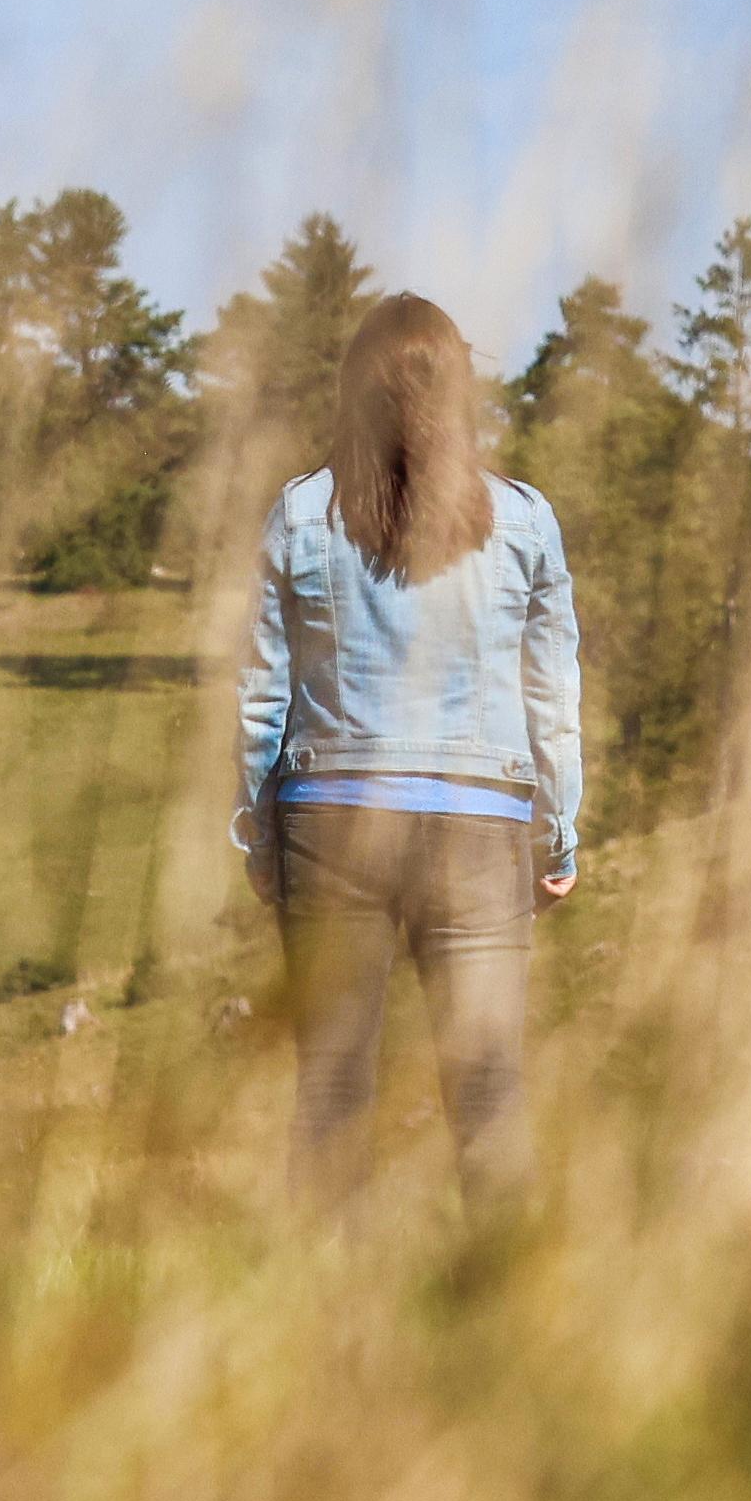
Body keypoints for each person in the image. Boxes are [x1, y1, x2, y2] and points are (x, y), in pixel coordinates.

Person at [232, 293, 583, 1206]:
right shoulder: (525, 522)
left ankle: (326, 1329)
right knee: (490, 1091)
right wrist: (562, 830)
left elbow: (263, 696)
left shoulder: (301, 515)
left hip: (331, 822)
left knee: (332, 1091)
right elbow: (551, 692)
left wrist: (257, 836)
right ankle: (513, 1331)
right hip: (481, 825)